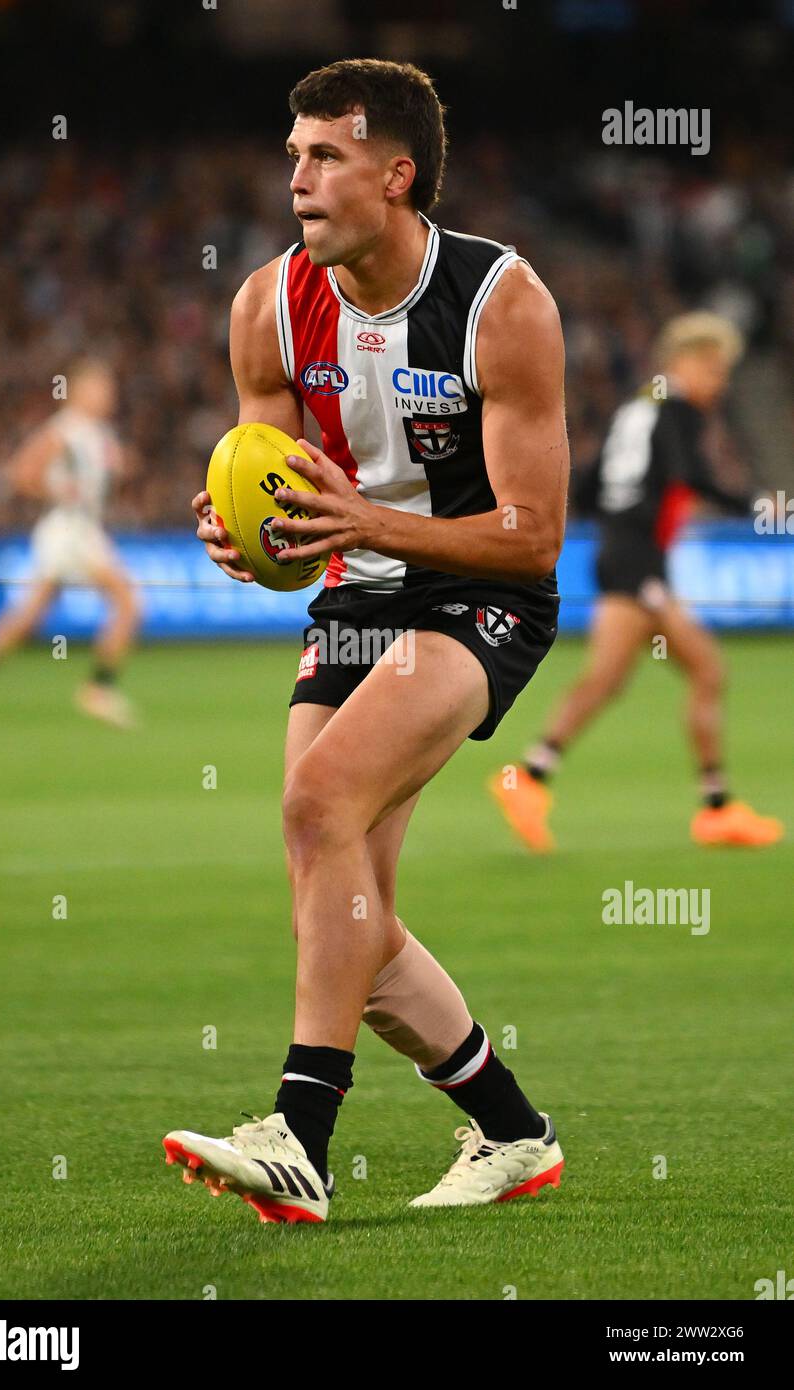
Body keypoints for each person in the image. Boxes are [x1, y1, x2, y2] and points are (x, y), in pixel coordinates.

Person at [163, 59, 569, 1222]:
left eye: (322, 155)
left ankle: (299, 1134)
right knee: (345, 923)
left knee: (314, 805)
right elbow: (275, 495)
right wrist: (250, 542)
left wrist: (368, 523)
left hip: (472, 598)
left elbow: (533, 538)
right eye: (291, 154)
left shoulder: (502, 301)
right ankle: (512, 1131)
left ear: (394, 175)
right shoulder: (265, 305)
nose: (294, 176)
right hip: (353, 596)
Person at [490, 312, 783, 852]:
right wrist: (765, 508)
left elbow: (597, 481)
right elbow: (695, 477)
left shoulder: (638, 403)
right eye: (716, 369)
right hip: (638, 563)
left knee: (607, 678)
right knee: (706, 668)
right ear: (689, 361)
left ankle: (530, 778)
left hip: (620, 553)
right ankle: (715, 809)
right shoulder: (680, 409)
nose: (720, 382)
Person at [0, 358, 140, 733]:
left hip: (81, 528)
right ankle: (98, 687)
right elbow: (20, 473)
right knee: (127, 600)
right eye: (99, 386)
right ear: (77, 390)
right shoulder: (65, 430)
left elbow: (108, 477)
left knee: (29, 617)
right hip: (68, 529)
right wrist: (60, 491)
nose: (108, 394)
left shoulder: (98, 435)